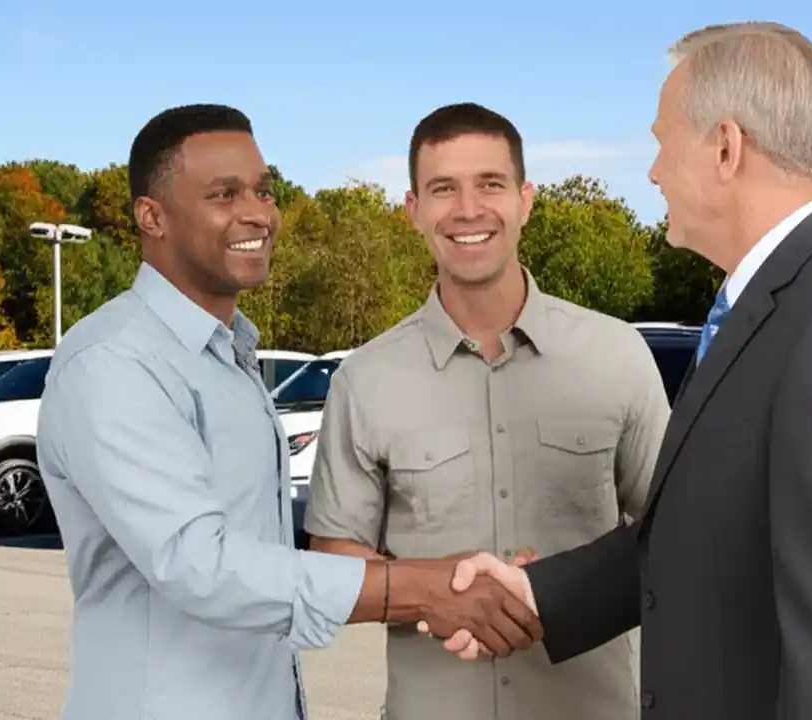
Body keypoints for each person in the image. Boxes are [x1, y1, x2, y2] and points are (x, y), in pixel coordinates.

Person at [436, 22, 812, 720]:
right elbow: (708, 534)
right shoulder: (770, 308)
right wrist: (538, 593)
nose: (653, 172)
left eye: (662, 143)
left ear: (725, 147)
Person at [35, 103, 542, 720]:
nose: (258, 212)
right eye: (224, 194)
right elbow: (201, 565)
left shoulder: (226, 354)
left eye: (263, 189)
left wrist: (445, 574)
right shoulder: (114, 363)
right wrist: (424, 590)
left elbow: (268, 561)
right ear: (152, 217)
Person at [302, 102, 669, 720]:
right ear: (413, 211)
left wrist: (559, 593)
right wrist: (435, 594)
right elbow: (332, 569)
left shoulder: (617, 357)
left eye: (490, 184)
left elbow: (678, 534)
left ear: (526, 199)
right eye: (444, 188)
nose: (468, 209)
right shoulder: (364, 380)